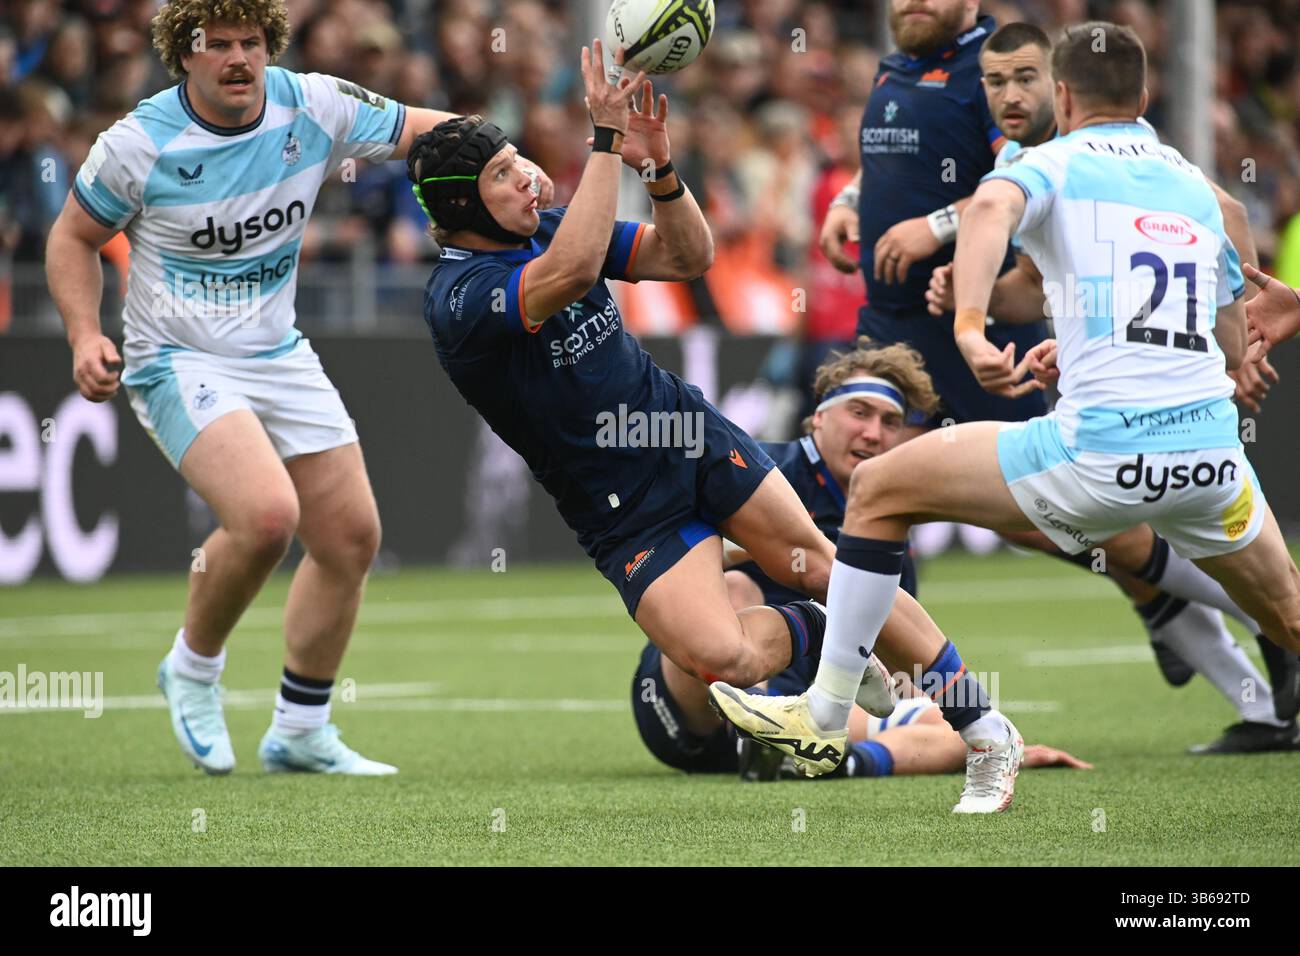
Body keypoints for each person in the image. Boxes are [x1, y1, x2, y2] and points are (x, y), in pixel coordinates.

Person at [709, 22, 1300, 811]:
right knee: (1290, 612)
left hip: (1100, 456)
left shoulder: (1047, 163)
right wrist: (1227, 349)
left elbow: (990, 206)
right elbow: (1224, 336)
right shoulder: (1194, 185)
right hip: (1210, 463)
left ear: (1061, 95)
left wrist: (968, 324)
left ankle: (834, 713)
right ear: (1147, 97)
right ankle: (1196, 645)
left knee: (879, 488)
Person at [413, 41, 1015, 808]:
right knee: (725, 659)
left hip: (682, 433)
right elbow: (567, 273)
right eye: (502, 173)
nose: (527, 174)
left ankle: (986, 729)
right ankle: (830, 634)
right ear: (464, 208)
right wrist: (602, 141)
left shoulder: (552, 226)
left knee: (828, 562)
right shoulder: (459, 299)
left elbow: (685, 257)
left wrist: (659, 173)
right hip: (620, 509)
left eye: (517, 157)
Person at [44, 0, 556, 777]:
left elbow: (432, 129)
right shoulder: (138, 144)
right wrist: (86, 333)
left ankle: (301, 728)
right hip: (178, 355)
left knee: (350, 537)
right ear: (184, 53)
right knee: (266, 517)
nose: (238, 58)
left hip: (278, 350)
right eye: (217, 45)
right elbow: (73, 236)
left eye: (251, 42)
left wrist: (511, 162)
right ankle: (192, 666)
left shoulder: (312, 103)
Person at [924, 23, 1298, 750]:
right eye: (996, 81)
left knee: (1077, 526)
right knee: (1071, 531)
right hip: (1134, 404)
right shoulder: (1034, 156)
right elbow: (1042, 286)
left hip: (1117, 423)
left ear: (1057, 90)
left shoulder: (1076, 163)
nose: (1009, 94)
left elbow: (1226, 212)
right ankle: (1227, 658)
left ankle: (1218, 650)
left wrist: (938, 244)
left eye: (1025, 79)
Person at [633, 339, 1092, 779]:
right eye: (859, 413)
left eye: (890, 421)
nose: (873, 433)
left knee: (950, 731)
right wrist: (769, 548)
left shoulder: (888, 537)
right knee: (737, 588)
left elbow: (899, 671)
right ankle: (764, 739)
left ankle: (824, 762)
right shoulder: (759, 473)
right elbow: (668, 561)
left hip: (803, 715)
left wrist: (955, 721)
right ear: (817, 419)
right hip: (690, 707)